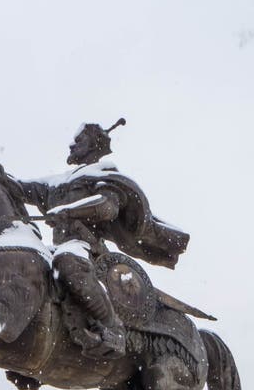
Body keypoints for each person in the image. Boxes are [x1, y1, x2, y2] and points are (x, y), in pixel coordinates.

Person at [17, 119, 190, 358]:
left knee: (68, 262)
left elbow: (107, 207)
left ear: (94, 145)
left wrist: (70, 211)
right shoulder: (56, 184)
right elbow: (17, 188)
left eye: (79, 140)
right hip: (58, 247)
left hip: (86, 247)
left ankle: (112, 329)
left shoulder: (104, 174)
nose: (71, 145)